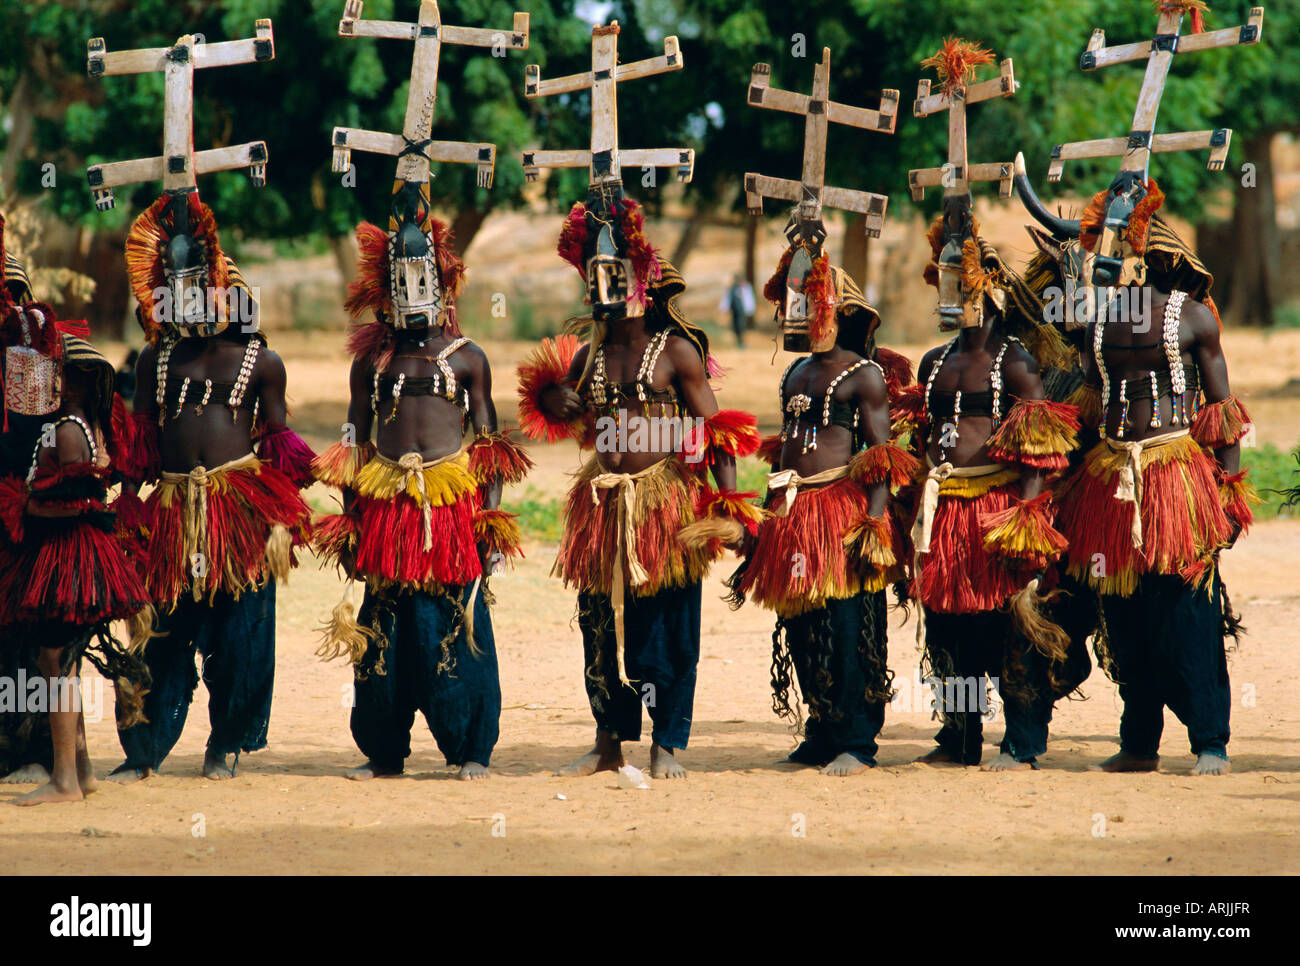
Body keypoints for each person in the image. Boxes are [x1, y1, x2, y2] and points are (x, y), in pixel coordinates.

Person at [518, 193, 759, 779]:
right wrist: (554, 397)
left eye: (616, 275)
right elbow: (552, 411)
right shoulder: (589, 354)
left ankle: (667, 743)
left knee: (667, 627)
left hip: (665, 507)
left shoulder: (676, 351)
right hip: (603, 505)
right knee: (599, 625)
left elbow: (718, 431)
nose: (605, 287)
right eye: (596, 276)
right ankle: (608, 741)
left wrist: (729, 508)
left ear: (642, 282)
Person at [312, 182, 528, 781]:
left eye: (421, 279)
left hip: (450, 509)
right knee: (383, 622)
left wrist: (489, 522)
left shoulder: (467, 357)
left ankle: (471, 749)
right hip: (386, 509)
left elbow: (489, 446)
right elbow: (354, 443)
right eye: (400, 281)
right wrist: (350, 523)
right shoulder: (370, 362)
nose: (412, 291)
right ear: (384, 289)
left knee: (456, 620)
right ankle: (384, 752)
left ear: (442, 283)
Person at [1053, 177, 1255, 776]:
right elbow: (1091, 406)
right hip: (1112, 478)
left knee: (1188, 614)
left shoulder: (1194, 319)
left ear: (1153, 252)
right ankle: (1139, 742)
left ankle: (1210, 740)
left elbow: (1221, 410)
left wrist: (1229, 492)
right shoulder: (1097, 324)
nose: (1120, 261)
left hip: (1176, 479)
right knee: (1125, 613)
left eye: (1129, 249)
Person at [110, 191, 314, 782]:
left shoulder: (260, 361)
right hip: (173, 515)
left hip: (239, 513)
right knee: (162, 633)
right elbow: (142, 443)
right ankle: (142, 752)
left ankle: (224, 744)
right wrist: (128, 509)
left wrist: (281, 517)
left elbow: (278, 443)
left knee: (241, 634)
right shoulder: (154, 359)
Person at [719, 246, 915, 776]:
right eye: (795, 305)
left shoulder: (864, 375)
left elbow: (881, 454)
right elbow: (788, 447)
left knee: (847, 626)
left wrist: (873, 523)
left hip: (842, 513)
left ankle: (857, 741)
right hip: (792, 512)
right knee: (802, 624)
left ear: (838, 310)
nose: (801, 314)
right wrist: (766, 519)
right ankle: (821, 732)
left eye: (812, 303)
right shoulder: (795, 372)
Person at [0, 299, 152, 805]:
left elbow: (80, 505)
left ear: (80, 384)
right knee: (61, 661)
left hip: (68, 559)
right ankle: (81, 773)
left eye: (59, 373)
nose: (48, 379)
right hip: (72, 559)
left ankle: (64, 780)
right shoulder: (74, 424)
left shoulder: (68, 429)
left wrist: (22, 507)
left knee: (56, 662)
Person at [717, 273, 755, 347]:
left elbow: (749, 299)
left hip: (742, 311)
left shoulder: (745, 288)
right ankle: (738, 341)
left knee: (741, 326)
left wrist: (750, 309)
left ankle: (742, 341)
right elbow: (727, 299)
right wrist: (724, 308)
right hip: (734, 311)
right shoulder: (732, 288)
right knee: (735, 326)